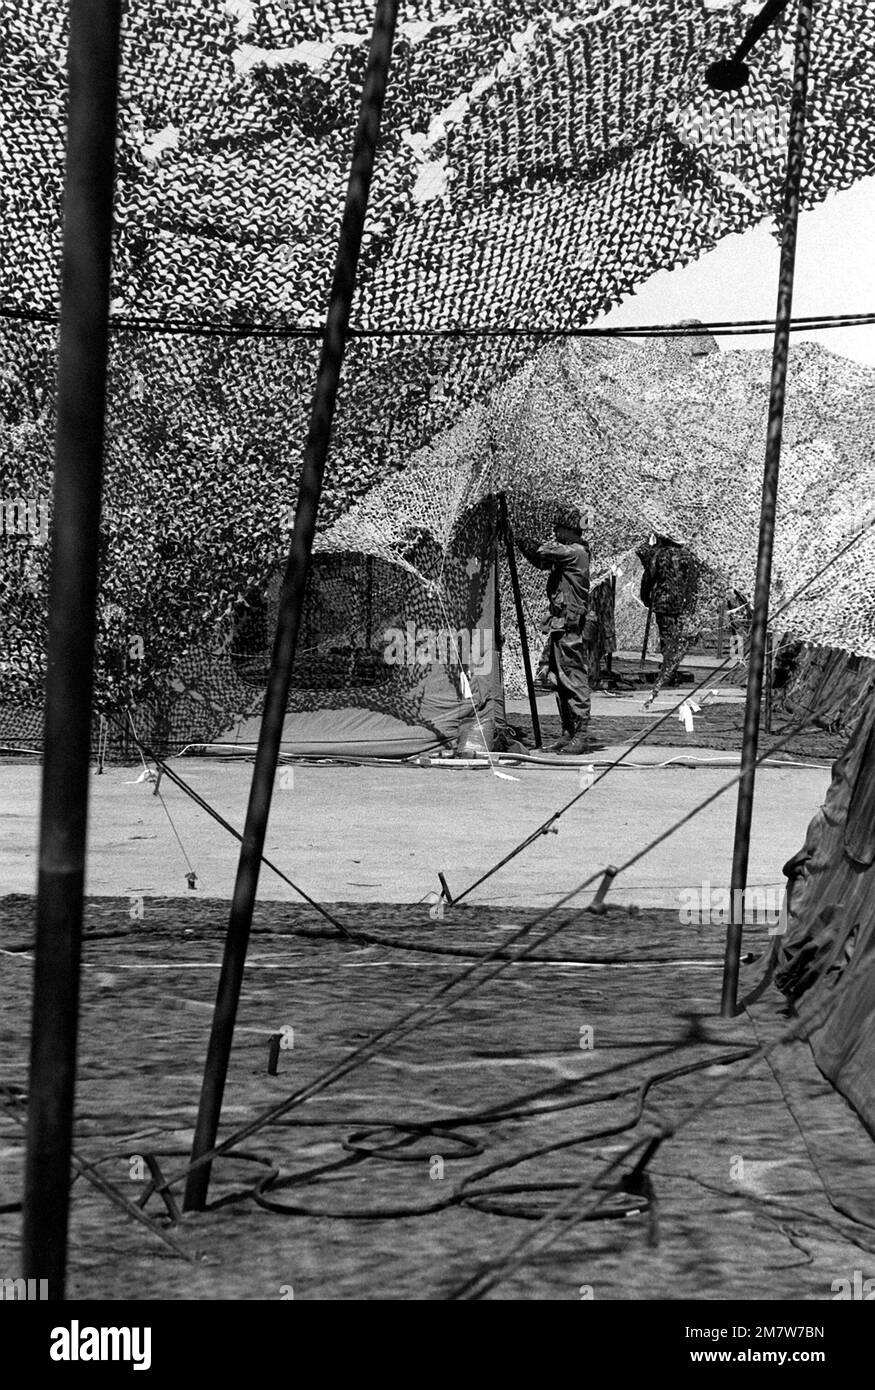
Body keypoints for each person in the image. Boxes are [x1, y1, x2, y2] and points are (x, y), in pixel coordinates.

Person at [517, 503, 594, 754]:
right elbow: (541, 561)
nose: (555, 532)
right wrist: (520, 544)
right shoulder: (568, 553)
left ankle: (580, 734)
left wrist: (519, 534)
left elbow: (543, 549)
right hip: (561, 624)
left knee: (574, 679)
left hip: (571, 625)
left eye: (559, 528)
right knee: (559, 680)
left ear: (570, 529)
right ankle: (568, 732)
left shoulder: (576, 552)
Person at [636, 530, 698, 697]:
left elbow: (649, 576)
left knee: (667, 635)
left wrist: (645, 596)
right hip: (682, 602)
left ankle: (669, 671)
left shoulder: (660, 554)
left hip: (664, 601)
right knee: (677, 635)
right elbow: (694, 580)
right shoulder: (687, 555)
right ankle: (672, 667)